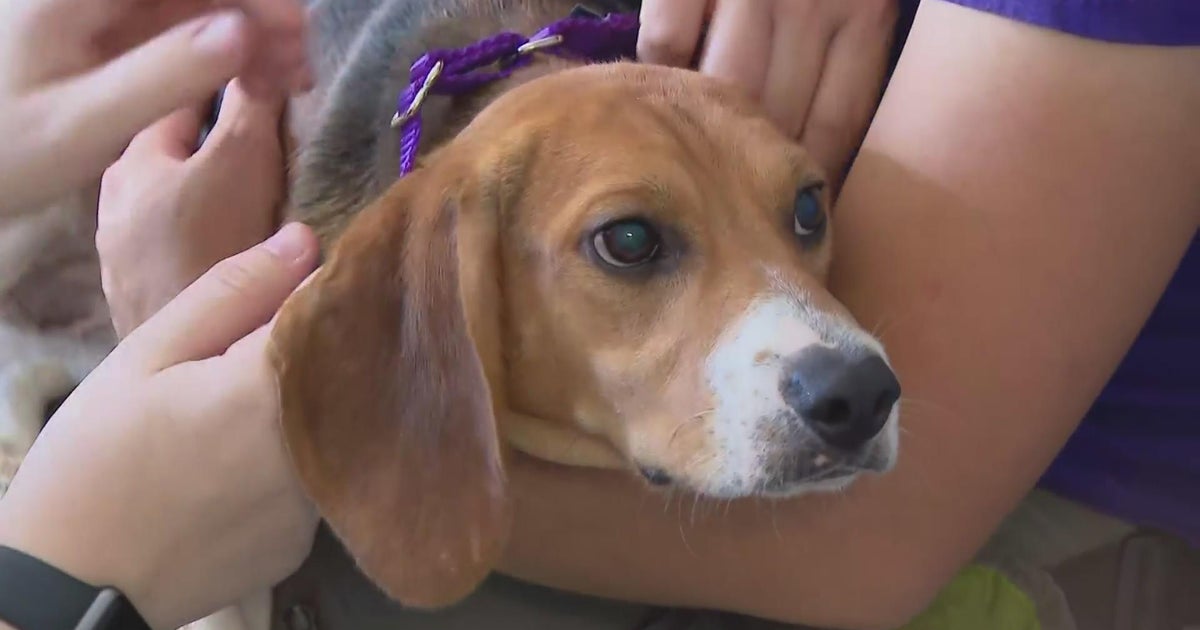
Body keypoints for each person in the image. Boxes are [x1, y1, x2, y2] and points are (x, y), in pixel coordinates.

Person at [0, 0, 1197, 629]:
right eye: (636, 243)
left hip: (1042, 512)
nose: (837, 350)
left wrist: (228, 365)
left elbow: (869, 552)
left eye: (801, 215)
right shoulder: (426, 230)